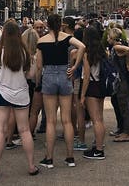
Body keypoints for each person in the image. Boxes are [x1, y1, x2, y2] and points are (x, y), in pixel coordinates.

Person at [0, 19, 40, 177]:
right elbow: (30, 75)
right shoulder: (24, 52)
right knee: (25, 130)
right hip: (21, 93)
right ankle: (31, 166)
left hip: (2, 93)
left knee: (0, 130)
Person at [36, 12, 85, 169]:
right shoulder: (66, 37)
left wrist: (38, 82)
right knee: (67, 120)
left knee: (50, 120)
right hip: (65, 75)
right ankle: (70, 158)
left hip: (49, 76)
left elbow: (38, 66)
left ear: (47, 25)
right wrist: (75, 67)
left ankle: (49, 159)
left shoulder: (41, 41)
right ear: (60, 24)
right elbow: (82, 47)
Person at [79, 25, 106, 160]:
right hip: (101, 85)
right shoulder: (101, 50)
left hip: (92, 86)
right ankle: (99, 144)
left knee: (95, 120)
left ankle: (99, 150)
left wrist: (82, 95)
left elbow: (87, 75)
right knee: (99, 118)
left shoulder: (87, 52)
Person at [107, 26, 129, 141]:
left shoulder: (117, 46)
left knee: (125, 106)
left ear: (112, 37)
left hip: (122, 80)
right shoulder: (115, 47)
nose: (107, 38)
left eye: (108, 36)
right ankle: (123, 130)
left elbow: (128, 50)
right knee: (122, 104)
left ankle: (126, 133)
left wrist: (128, 63)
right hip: (122, 80)